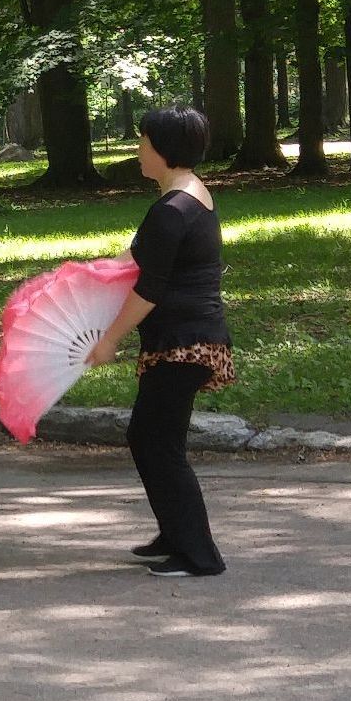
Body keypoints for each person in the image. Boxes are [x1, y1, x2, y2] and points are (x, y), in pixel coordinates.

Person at [85, 105, 231, 578]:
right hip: (186, 340)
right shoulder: (189, 196)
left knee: (156, 442)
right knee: (152, 438)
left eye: (143, 141)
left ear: (162, 150)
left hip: (182, 344)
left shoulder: (172, 209)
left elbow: (149, 288)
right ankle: (175, 534)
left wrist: (109, 341)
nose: (138, 150)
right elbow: (139, 258)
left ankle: (199, 555)